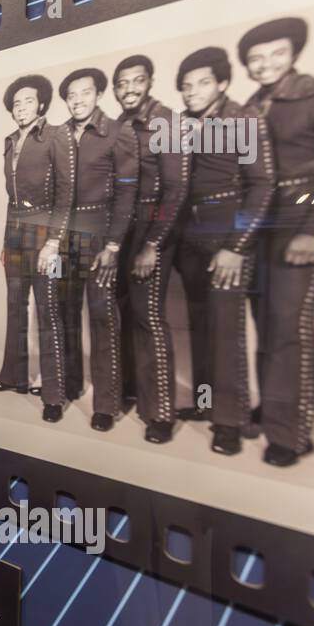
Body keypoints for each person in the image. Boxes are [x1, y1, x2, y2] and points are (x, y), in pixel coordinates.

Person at [240, 18, 314, 467]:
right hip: (255, 226)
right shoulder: (249, 106)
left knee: (289, 327)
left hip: (300, 222)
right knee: (266, 325)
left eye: (276, 53)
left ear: (293, 53)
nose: (266, 63)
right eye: (256, 58)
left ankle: (290, 435)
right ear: (247, 67)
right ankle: (272, 407)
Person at [172, 47, 275, 455]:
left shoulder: (242, 119)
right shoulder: (182, 124)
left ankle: (230, 423)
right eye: (185, 85)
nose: (192, 92)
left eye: (202, 83)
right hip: (190, 240)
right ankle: (204, 405)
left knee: (226, 331)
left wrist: (236, 246)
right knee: (199, 326)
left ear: (223, 84)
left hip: (227, 240)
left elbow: (262, 184)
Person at [0, 75, 75, 423]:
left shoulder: (55, 136)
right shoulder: (9, 141)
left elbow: (67, 194)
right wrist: (7, 242)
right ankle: (14, 378)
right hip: (17, 237)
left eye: (28, 101)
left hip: (48, 238)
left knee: (49, 312)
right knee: (15, 307)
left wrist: (54, 242)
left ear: (42, 104)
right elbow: (12, 200)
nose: (21, 108)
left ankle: (53, 395)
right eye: (16, 103)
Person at [59, 68, 140, 430]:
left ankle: (106, 404)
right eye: (72, 95)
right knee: (65, 314)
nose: (78, 100)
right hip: (61, 240)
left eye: (85, 92)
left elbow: (127, 194)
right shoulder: (58, 135)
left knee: (103, 319)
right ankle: (71, 385)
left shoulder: (117, 132)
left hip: (99, 240)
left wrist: (112, 245)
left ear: (98, 94)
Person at [112, 55, 187, 444]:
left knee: (149, 317)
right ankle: (133, 391)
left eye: (136, 81)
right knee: (122, 311)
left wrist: (152, 245)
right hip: (123, 230)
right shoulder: (120, 124)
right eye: (121, 83)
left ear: (150, 82)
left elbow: (176, 189)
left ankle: (160, 414)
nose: (129, 89)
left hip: (152, 228)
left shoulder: (166, 121)